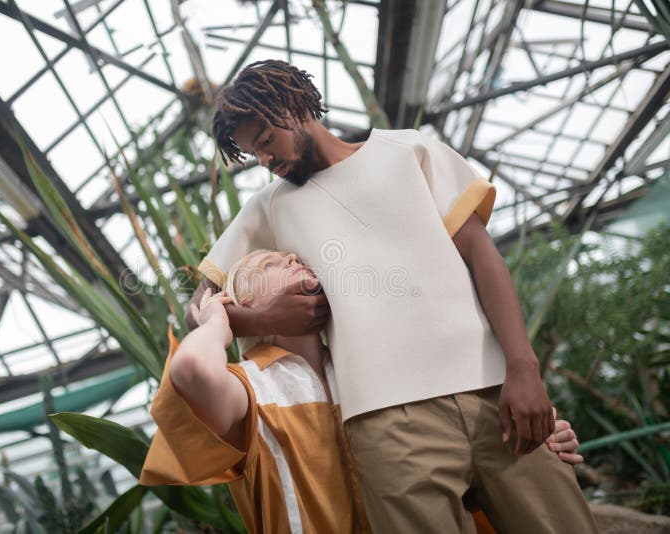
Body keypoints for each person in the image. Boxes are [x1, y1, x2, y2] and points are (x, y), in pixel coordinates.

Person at [185, 59, 598, 533]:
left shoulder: (409, 151)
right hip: (384, 427)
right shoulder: (270, 207)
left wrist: (524, 369)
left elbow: (484, 258)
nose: (264, 161)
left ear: (296, 107)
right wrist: (264, 319)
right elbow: (198, 309)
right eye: (252, 153)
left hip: (495, 392)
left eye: (265, 141)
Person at [140, 249, 586, 533]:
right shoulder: (253, 387)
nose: (291, 258)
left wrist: (535, 435)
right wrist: (216, 323)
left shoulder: (369, 371)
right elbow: (192, 368)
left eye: (293, 256)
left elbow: (454, 438)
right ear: (245, 306)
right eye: (270, 265)